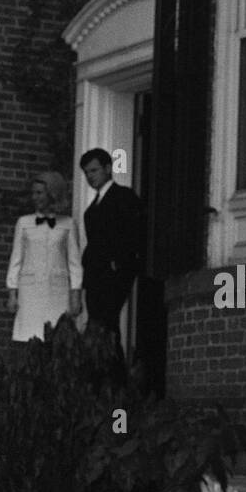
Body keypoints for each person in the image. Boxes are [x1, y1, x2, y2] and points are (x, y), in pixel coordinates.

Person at [78, 147, 145, 348]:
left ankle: (113, 375)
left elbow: (134, 233)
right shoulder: (92, 208)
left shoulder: (123, 197)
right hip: (94, 275)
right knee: (98, 326)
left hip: (113, 274)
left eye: (94, 170)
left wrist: (121, 264)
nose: (90, 176)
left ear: (108, 168)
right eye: (87, 172)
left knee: (107, 325)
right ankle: (103, 374)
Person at [5, 170, 84, 341]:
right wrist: (12, 294)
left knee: (56, 340)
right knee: (29, 340)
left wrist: (75, 296)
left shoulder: (68, 224)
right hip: (30, 292)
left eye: (39, 193)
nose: (35, 197)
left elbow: (75, 264)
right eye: (33, 193)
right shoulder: (24, 223)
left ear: (52, 194)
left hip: (58, 292)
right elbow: (16, 261)